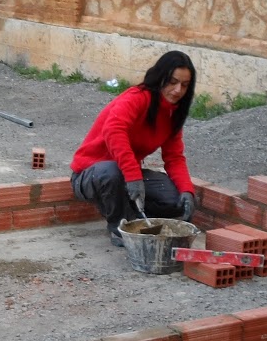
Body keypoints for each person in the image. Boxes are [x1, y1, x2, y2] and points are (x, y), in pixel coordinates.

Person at [70, 50, 199, 246]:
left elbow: (174, 158)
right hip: (91, 174)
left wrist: (187, 191)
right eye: (172, 82)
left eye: (184, 85)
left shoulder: (173, 115)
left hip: (125, 174)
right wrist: (133, 176)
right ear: (160, 77)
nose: (178, 90)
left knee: (174, 201)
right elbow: (113, 131)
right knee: (111, 170)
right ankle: (119, 227)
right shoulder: (137, 97)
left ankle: (134, 216)